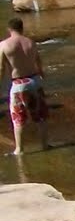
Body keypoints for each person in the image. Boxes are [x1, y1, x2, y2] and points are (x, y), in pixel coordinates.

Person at [0, 18, 48, 156]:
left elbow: (1, 67)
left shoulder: (4, 45)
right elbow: (38, 61)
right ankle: (45, 144)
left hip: (18, 84)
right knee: (41, 116)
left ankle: (19, 149)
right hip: (34, 81)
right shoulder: (30, 42)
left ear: (9, 29)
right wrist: (42, 74)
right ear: (22, 28)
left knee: (18, 118)